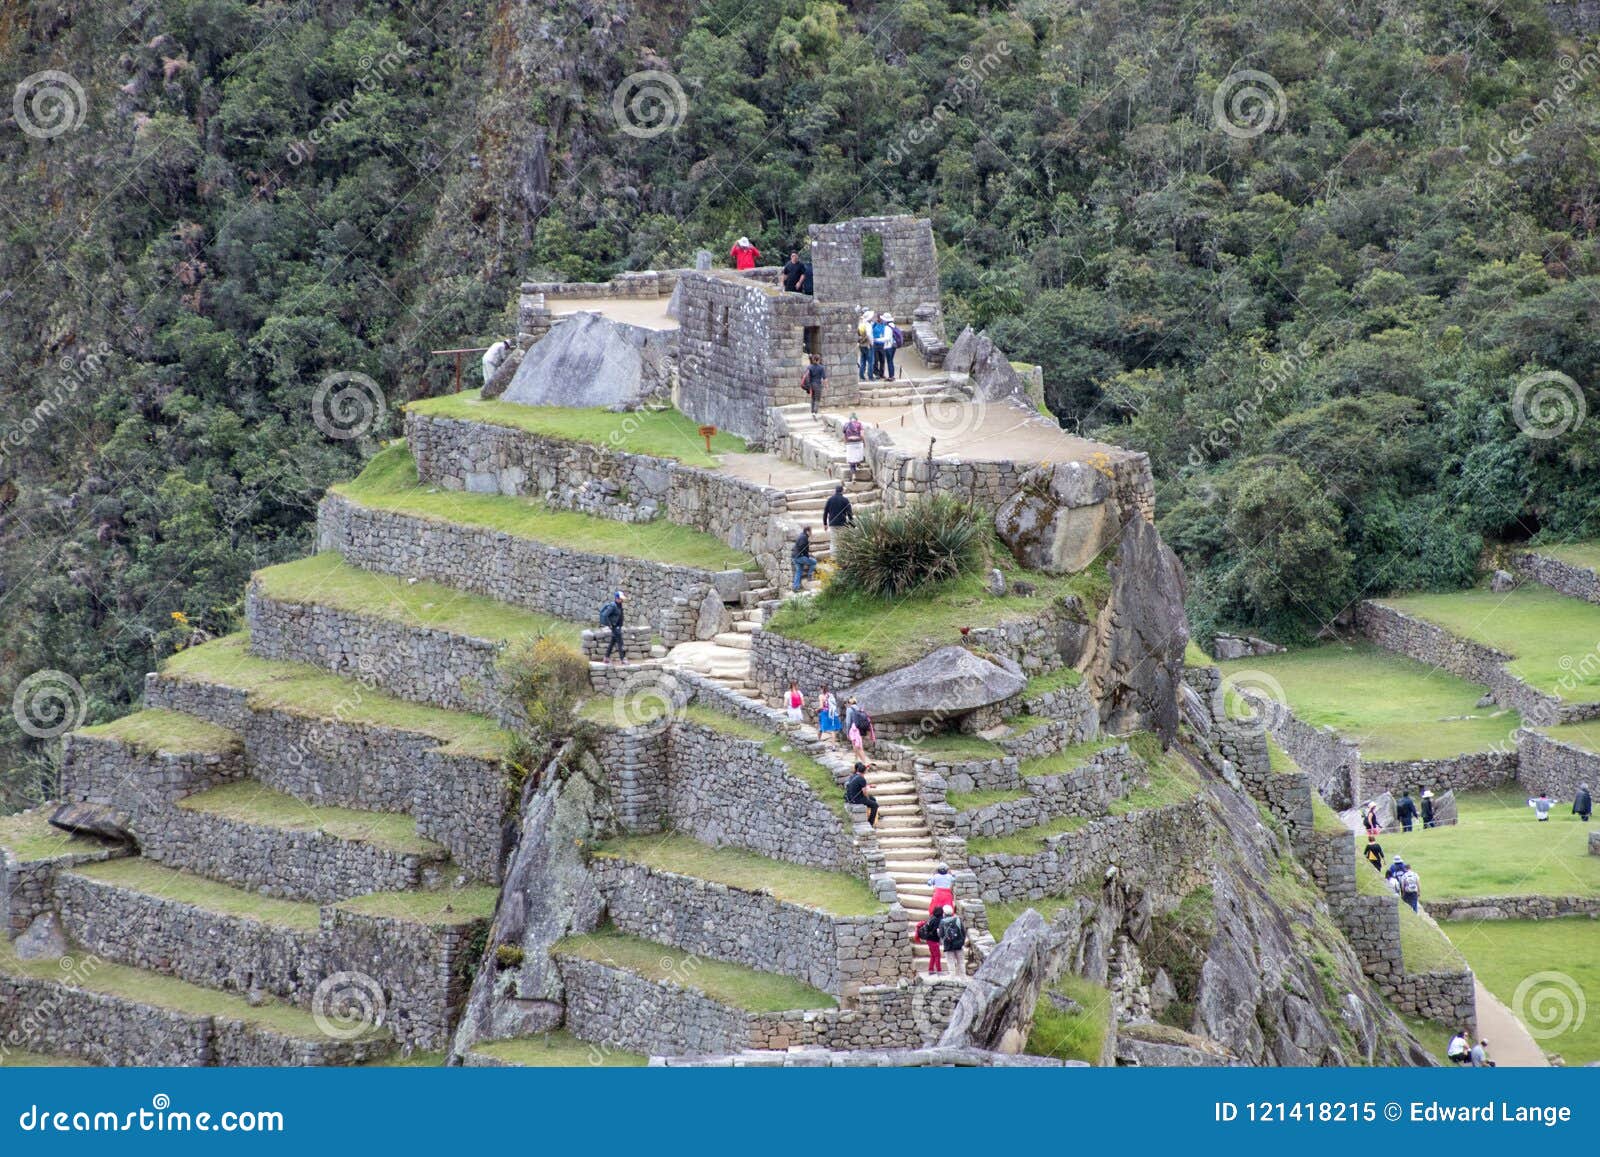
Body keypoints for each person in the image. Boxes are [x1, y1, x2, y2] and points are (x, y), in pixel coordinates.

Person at [844, 761, 878, 827]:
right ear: (864, 771)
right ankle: (871, 823)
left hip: (850, 797)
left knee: (873, 799)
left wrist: (869, 786)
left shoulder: (853, 776)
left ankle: (872, 816)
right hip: (856, 799)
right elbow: (864, 792)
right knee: (875, 805)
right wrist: (867, 798)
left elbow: (860, 787)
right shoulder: (862, 779)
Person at [599, 590, 627, 664]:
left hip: (618, 626)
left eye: (622, 599)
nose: (622, 600)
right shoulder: (613, 606)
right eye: (621, 599)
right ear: (616, 598)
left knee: (612, 642)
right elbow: (605, 615)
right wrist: (610, 625)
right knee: (620, 643)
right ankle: (623, 659)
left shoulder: (619, 605)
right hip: (615, 627)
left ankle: (606, 657)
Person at [938, 904, 967, 976]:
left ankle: (952, 978)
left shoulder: (942, 922)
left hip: (948, 945)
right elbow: (963, 931)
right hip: (959, 944)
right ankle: (963, 977)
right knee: (961, 962)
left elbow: (941, 934)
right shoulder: (958, 919)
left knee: (950, 962)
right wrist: (962, 941)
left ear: (944, 913)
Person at [917, 908, 944, 974]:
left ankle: (931, 969)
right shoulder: (938, 920)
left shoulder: (932, 917)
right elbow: (936, 931)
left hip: (929, 939)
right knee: (937, 955)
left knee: (933, 955)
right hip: (934, 940)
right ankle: (939, 971)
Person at [841, 412, 866, 480]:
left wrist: (845, 444)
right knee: (858, 456)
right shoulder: (859, 424)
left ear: (850, 419)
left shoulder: (846, 425)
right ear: (856, 419)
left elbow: (844, 436)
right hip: (858, 442)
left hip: (850, 443)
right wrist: (864, 442)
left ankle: (854, 475)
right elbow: (862, 435)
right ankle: (858, 463)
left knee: (851, 460)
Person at [791, 526, 816, 592]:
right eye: (811, 531)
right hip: (800, 557)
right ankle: (809, 575)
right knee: (814, 562)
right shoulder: (804, 537)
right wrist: (807, 556)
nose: (811, 533)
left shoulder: (801, 535)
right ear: (807, 531)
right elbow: (803, 548)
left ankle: (796, 587)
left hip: (794, 557)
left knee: (799, 571)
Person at [876, 313, 900, 381]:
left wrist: (876, 340)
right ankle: (892, 375)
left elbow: (886, 338)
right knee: (891, 361)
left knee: (889, 361)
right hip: (894, 345)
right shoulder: (893, 325)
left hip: (889, 346)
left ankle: (891, 376)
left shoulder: (887, 327)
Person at [857, 312, 875, 380]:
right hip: (868, 345)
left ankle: (861, 375)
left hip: (862, 344)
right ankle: (870, 376)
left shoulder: (861, 323)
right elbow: (869, 335)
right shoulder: (868, 325)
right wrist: (872, 343)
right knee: (870, 361)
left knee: (863, 360)